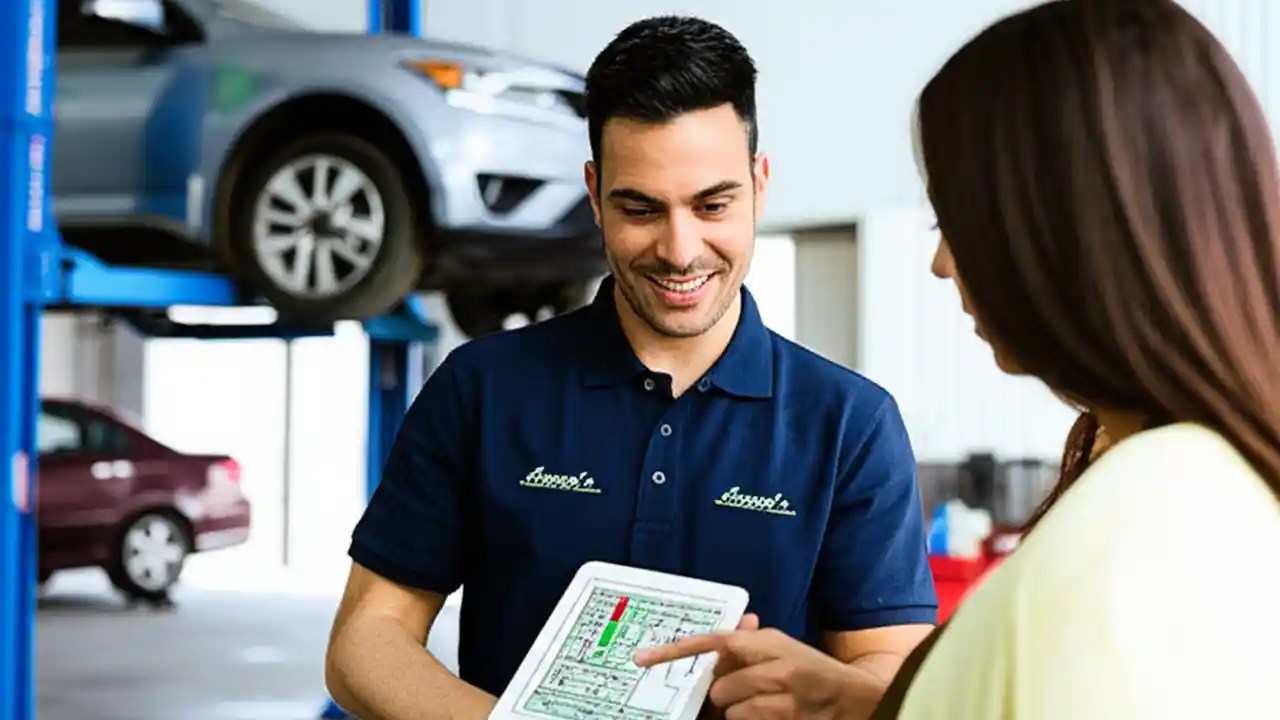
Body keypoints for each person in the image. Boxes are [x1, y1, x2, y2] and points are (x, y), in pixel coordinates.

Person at [635, 1, 1280, 718]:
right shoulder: (1153, 474)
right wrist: (859, 705)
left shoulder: (1154, 517)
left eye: (954, 222)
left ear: (1060, 229)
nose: (942, 264)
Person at [323, 14, 938, 720]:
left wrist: (818, 694)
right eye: (640, 208)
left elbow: (888, 665)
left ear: (760, 185)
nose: (680, 250)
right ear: (594, 193)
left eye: (713, 205)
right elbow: (365, 641)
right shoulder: (480, 390)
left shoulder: (849, 424)